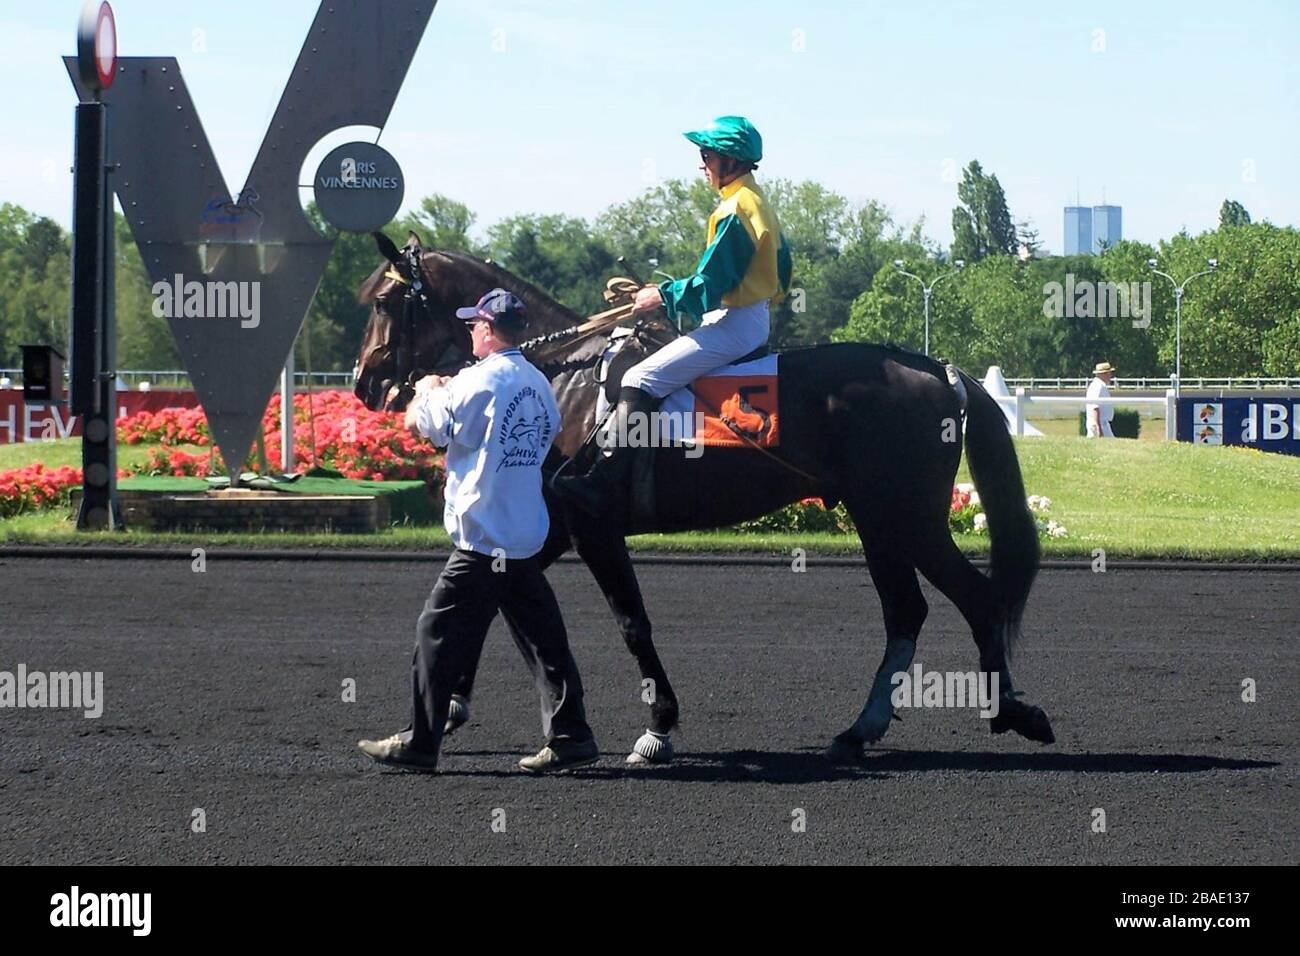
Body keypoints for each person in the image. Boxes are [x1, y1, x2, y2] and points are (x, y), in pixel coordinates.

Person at [357, 288, 599, 774]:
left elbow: (429, 426)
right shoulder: (536, 382)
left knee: (436, 631)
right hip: (523, 535)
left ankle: (421, 743)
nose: (470, 330)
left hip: (483, 539)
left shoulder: (476, 380)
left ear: (488, 330)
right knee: (544, 639)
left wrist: (427, 390)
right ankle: (571, 736)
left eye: (474, 324)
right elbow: (538, 433)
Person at [552, 115, 792, 516]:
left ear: (729, 161)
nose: (701, 164)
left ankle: (605, 480)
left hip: (734, 324)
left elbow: (710, 284)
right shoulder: (756, 201)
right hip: (742, 317)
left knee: (638, 376)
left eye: (706, 155)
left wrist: (661, 295)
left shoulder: (736, 208)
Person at [1085, 361, 1117, 438]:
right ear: (1104, 374)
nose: (1110, 376)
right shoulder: (1098, 386)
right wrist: (1099, 427)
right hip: (1100, 424)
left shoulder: (1098, 385)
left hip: (1101, 424)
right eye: (1109, 373)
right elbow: (1095, 407)